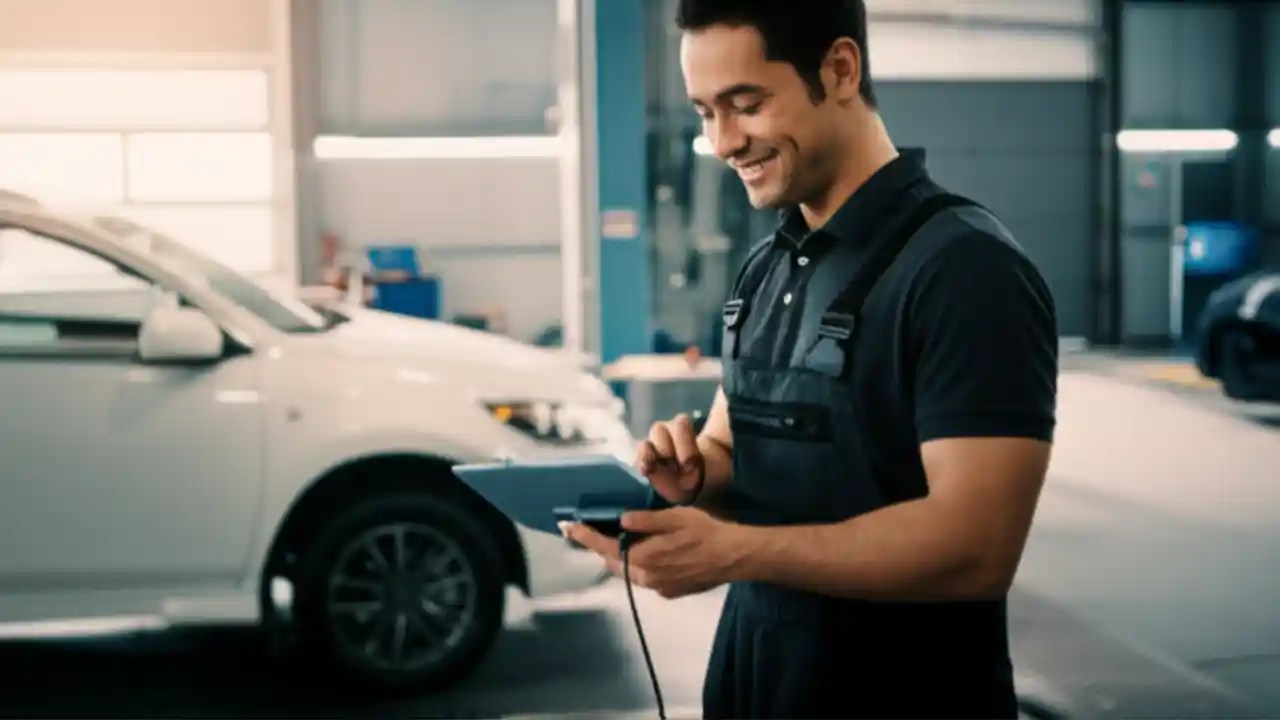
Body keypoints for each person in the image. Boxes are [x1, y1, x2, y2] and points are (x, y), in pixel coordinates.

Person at [564, 0, 1059, 717]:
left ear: (840, 69)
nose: (724, 141)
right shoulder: (766, 269)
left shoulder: (964, 270)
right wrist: (695, 478)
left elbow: (975, 548)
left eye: (746, 104)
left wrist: (732, 551)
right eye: (706, 112)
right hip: (757, 681)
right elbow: (734, 450)